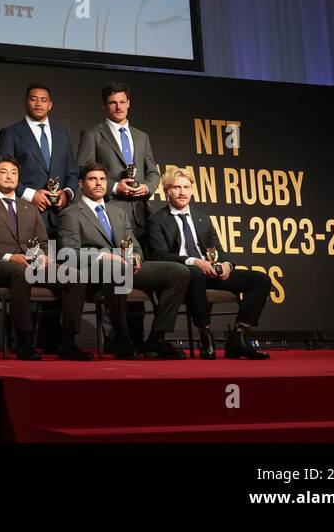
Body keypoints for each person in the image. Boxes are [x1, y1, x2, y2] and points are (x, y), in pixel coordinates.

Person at [56, 163, 189, 360]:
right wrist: (103, 256)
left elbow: (133, 245)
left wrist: (135, 256)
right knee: (115, 267)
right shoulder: (71, 213)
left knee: (179, 272)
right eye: (93, 179)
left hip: (125, 267)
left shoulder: (118, 212)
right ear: (81, 184)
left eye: (102, 179)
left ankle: (157, 337)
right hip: (95, 269)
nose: (99, 183)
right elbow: (69, 253)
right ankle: (119, 337)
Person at [0, 157, 93, 360]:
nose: (9, 176)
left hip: (32, 266)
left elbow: (42, 242)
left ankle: (68, 342)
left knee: (75, 277)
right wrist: (10, 257)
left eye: (14, 173)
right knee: (20, 272)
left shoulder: (29, 207)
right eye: (3, 172)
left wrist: (43, 256)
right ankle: (23, 342)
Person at [146, 168, 272, 360]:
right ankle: (206, 336)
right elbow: (159, 255)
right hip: (183, 275)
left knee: (260, 280)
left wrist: (227, 264)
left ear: (193, 190)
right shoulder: (157, 220)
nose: (182, 192)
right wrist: (195, 262)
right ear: (166, 191)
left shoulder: (202, 219)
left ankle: (239, 338)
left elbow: (217, 249)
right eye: (176, 187)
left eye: (186, 187)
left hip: (210, 272)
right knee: (195, 273)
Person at [75, 82, 160, 236]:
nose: (118, 107)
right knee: (116, 259)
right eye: (113, 103)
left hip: (141, 214)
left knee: (140, 259)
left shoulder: (142, 137)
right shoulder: (92, 134)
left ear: (128, 103)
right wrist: (114, 187)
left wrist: (146, 187)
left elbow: (153, 172)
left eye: (122, 102)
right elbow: (82, 171)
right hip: (108, 211)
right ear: (104, 106)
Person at [0, 82, 78, 236]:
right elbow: (1, 174)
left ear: (50, 105)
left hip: (61, 217)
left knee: (58, 259)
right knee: (36, 259)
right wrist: (31, 195)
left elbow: (72, 173)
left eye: (43, 100)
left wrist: (66, 194)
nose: (39, 103)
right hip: (26, 212)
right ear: (26, 102)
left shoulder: (62, 136)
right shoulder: (11, 133)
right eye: (34, 99)